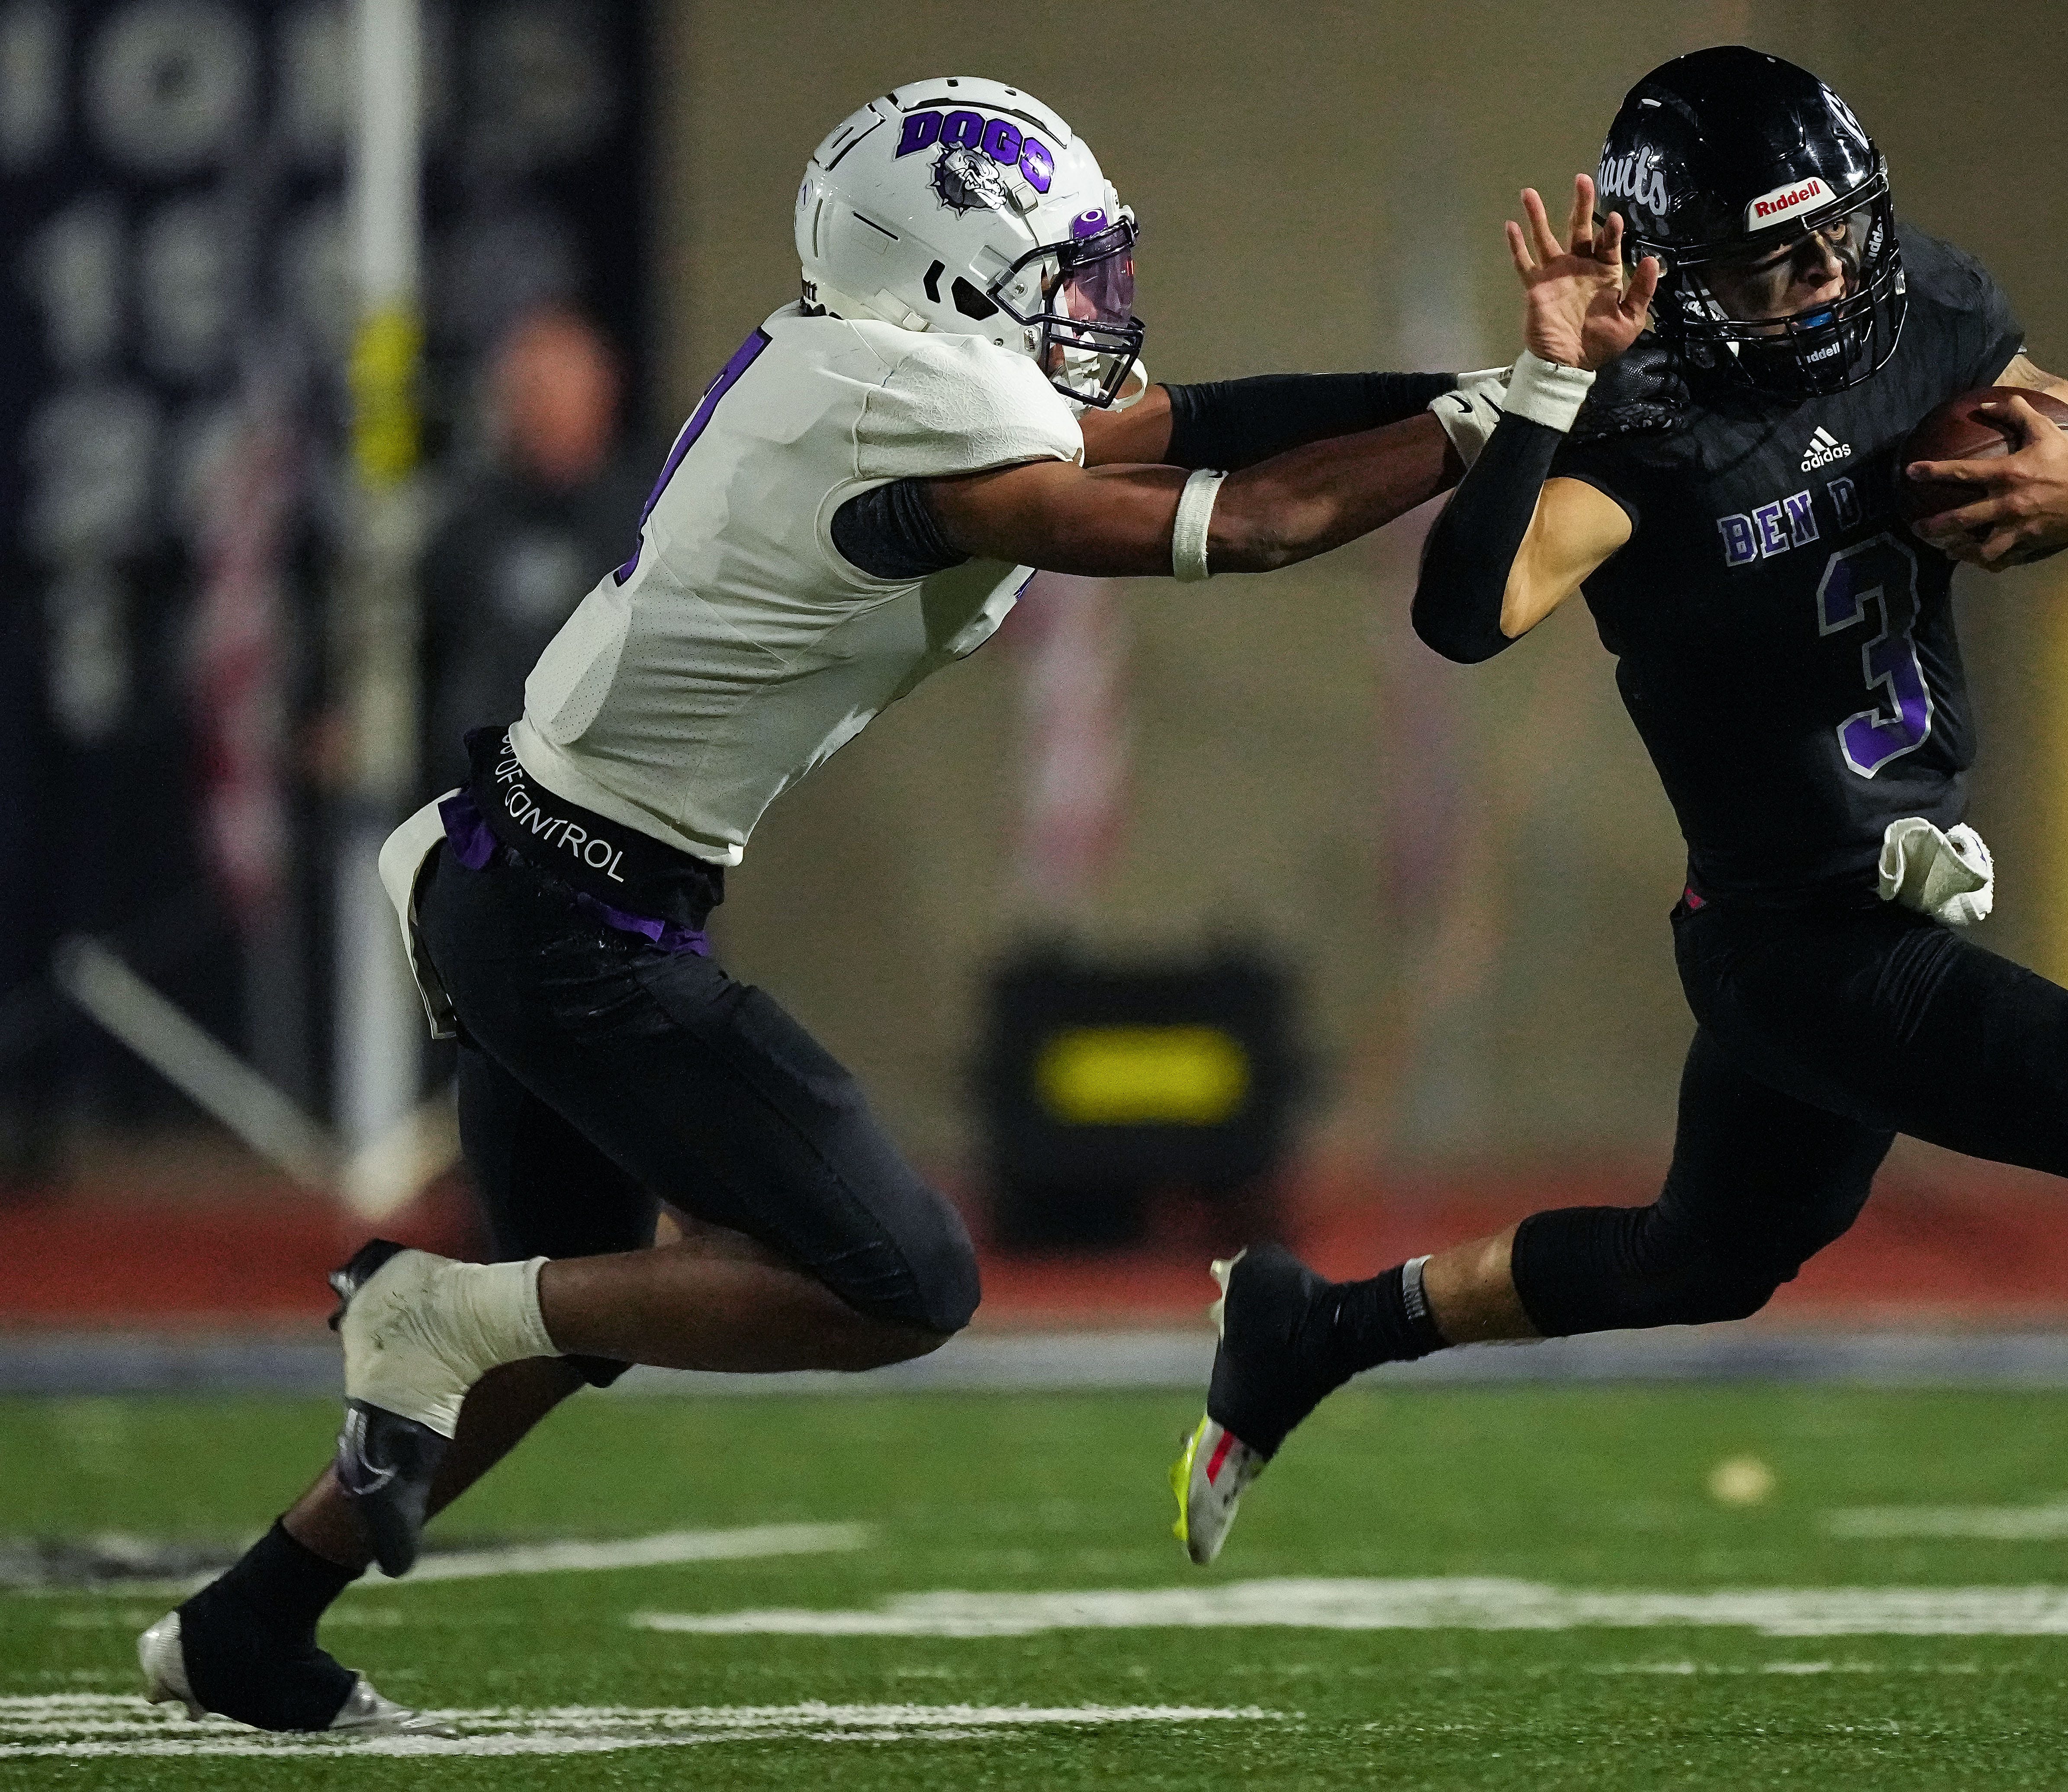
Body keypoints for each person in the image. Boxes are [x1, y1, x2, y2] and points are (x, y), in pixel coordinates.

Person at [138, 76, 1501, 1737]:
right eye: (1057, 276)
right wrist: (1492, 426)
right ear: (940, 278)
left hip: (524, 872)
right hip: (580, 916)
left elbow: (1194, 417)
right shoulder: (909, 407)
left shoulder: (865, 364)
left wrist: (1482, 395)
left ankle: (250, 1621)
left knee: (566, 1311)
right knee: (896, 1278)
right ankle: (432, 1310)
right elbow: (1263, 516)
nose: (1093, 310)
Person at [1175, 47, 2068, 1714]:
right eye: (1767, 261)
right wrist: (1547, 385)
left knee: (1698, 1261)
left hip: (1835, 921)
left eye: (1833, 239)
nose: (1818, 280)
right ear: (1671, 274)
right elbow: (1464, 613)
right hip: (1798, 941)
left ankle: (1312, 1328)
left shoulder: (1924, 315)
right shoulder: (1646, 427)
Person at [417, 307, 652, 803]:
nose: (541, 412)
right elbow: (431, 667)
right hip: (484, 803)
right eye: (527, 393)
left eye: (556, 391)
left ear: (603, 393)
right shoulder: (465, 533)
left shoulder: (655, 526)